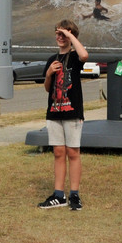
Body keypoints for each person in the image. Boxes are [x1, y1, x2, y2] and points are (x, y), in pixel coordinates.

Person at [38, 19, 89, 211]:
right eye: (58, 34)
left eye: (64, 34)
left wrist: (71, 36)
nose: (60, 37)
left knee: (73, 152)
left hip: (72, 111)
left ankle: (74, 194)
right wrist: (49, 74)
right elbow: (47, 89)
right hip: (54, 112)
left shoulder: (75, 57)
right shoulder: (52, 60)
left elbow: (84, 54)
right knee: (58, 153)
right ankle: (59, 195)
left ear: (71, 36)